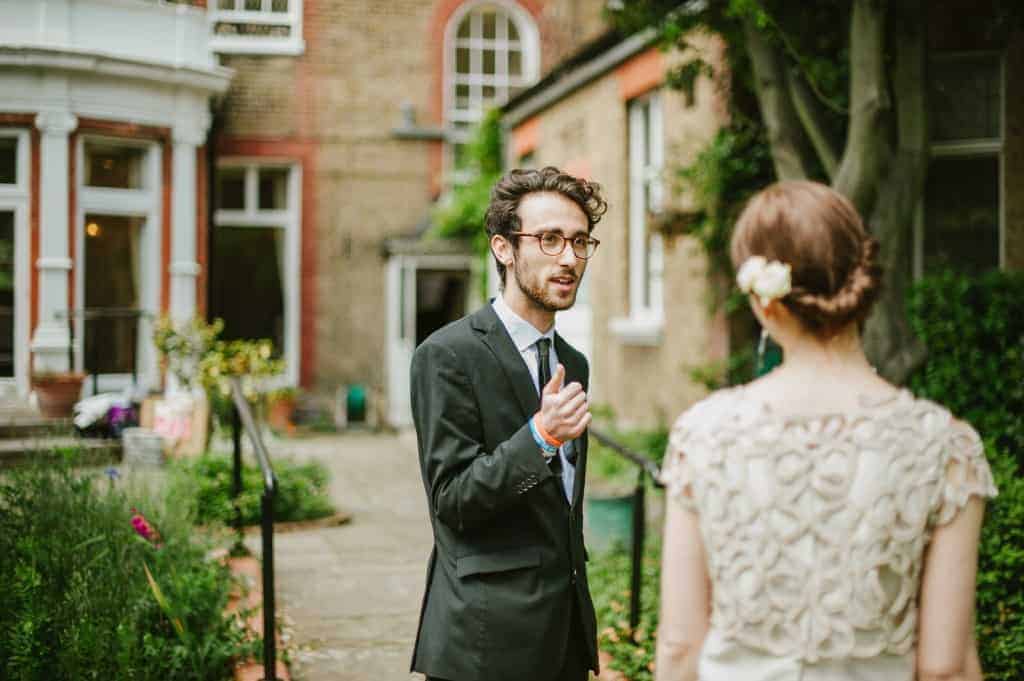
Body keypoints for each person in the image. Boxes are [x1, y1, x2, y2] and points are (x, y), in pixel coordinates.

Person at [655, 180, 998, 681]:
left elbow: (680, 646)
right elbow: (946, 667)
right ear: (860, 288)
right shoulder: (945, 447)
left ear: (764, 302)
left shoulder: (703, 437)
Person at [409, 167, 608, 681]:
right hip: (484, 645)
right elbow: (452, 500)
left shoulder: (573, 361)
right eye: (549, 240)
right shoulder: (448, 355)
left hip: (564, 636)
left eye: (580, 241)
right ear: (503, 248)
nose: (568, 257)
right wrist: (540, 437)